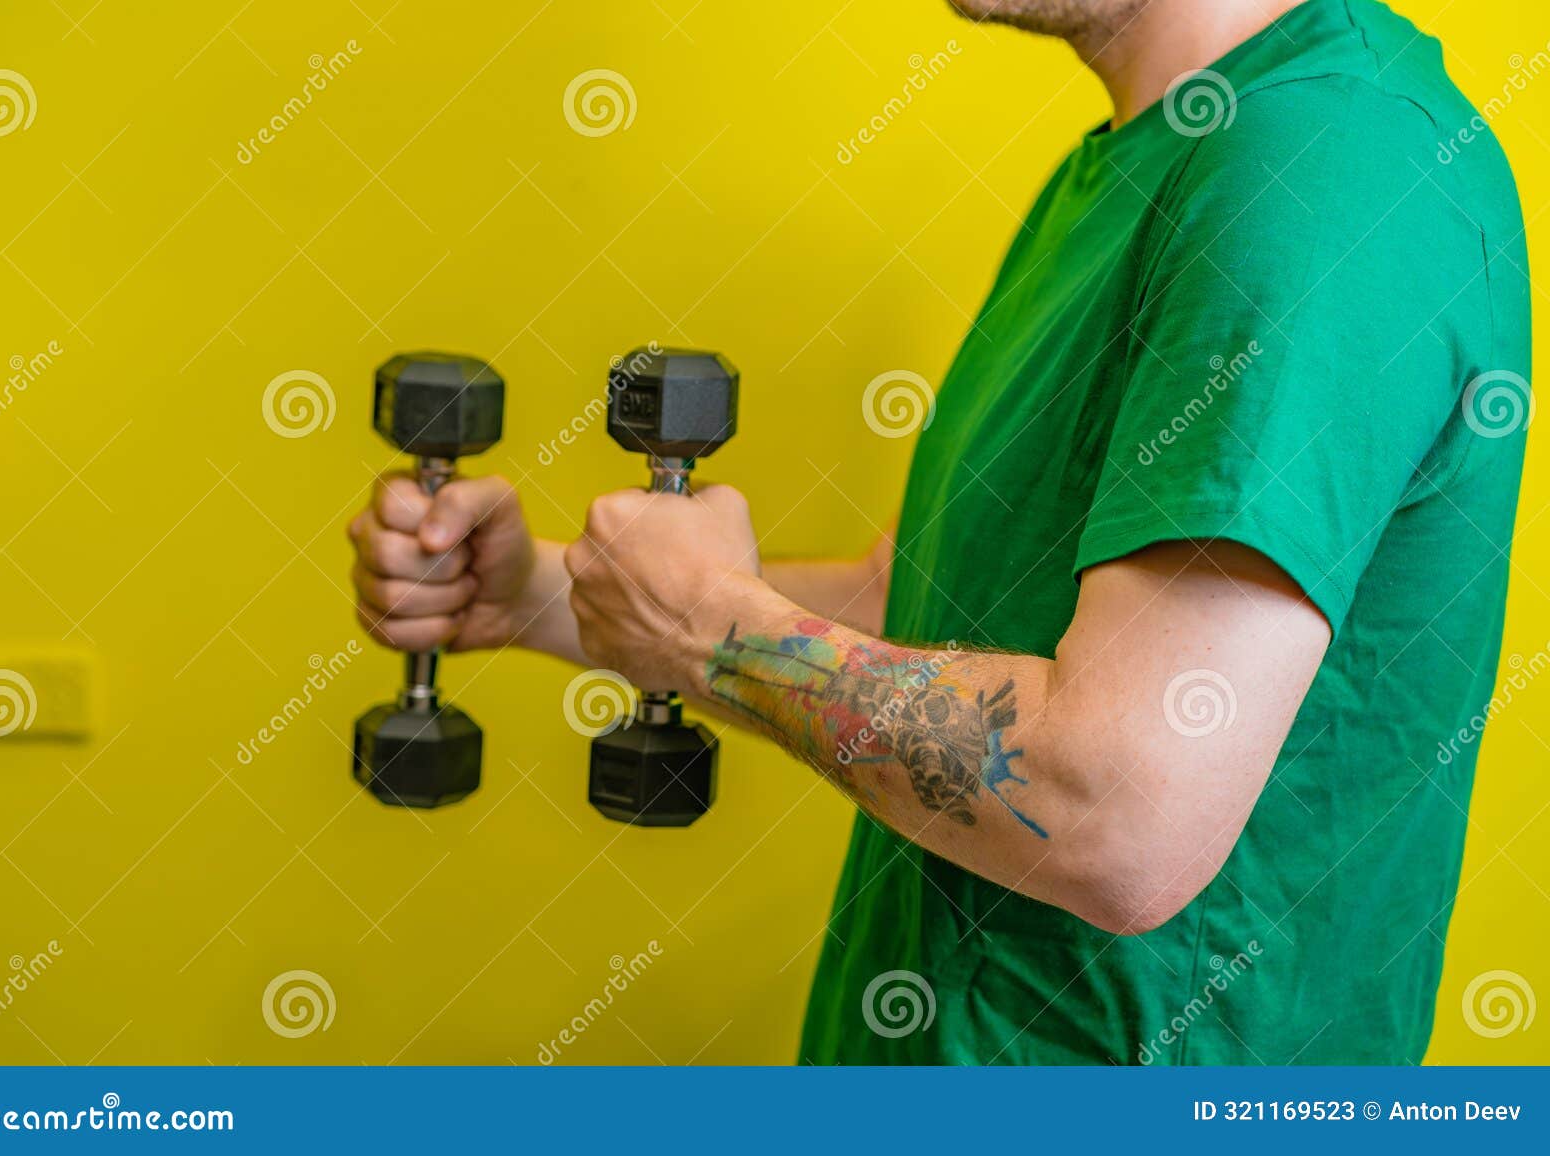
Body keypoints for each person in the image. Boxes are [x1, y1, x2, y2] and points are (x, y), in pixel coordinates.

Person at [347, 0, 1530, 1064]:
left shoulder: (1326, 170)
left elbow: (1119, 813)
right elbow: (922, 604)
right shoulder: (1143, 160)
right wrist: (551, 596)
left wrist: (709, 630)